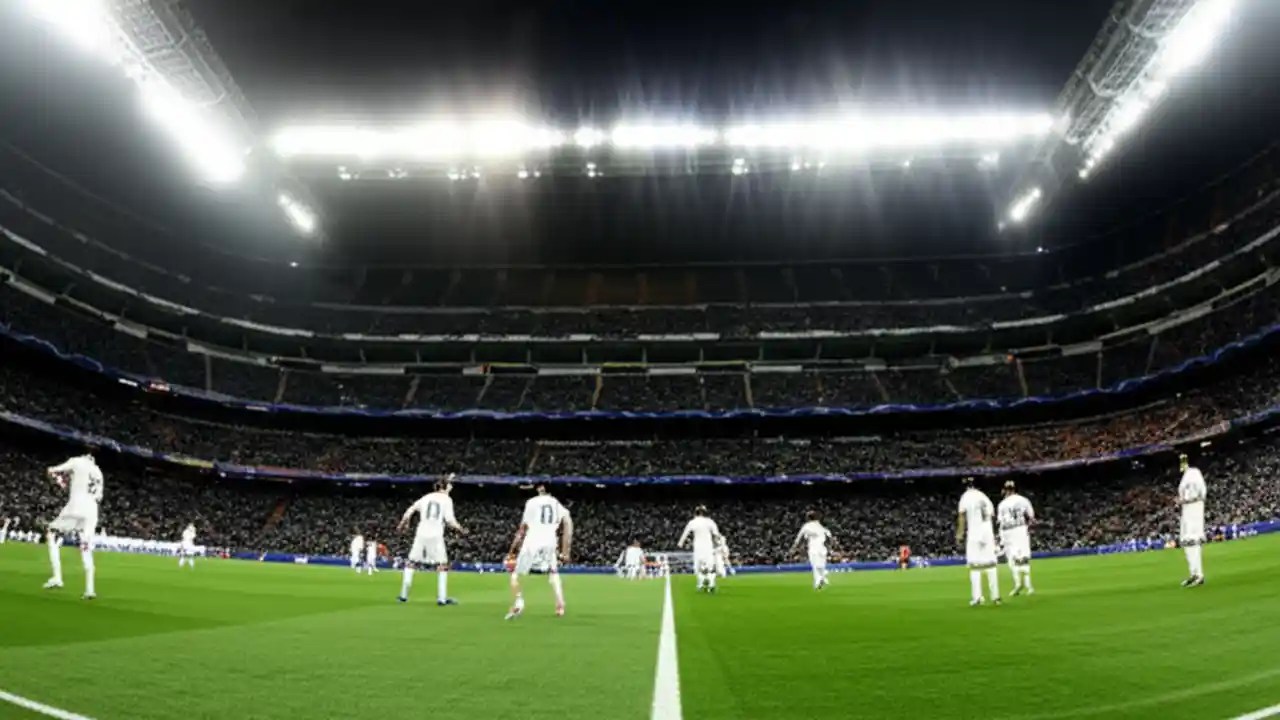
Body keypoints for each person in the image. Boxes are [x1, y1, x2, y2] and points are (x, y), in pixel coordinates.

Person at [505, 484, 573, 619]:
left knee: (515, 574)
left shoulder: (531, 502)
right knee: (553, 572)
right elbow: (568, 523)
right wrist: (566, 550)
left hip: (532, 542)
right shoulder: (556, 504)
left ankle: (519, 602)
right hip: (550, 543)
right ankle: (560, 604)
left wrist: (512, 549)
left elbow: (523, 529)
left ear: (540, 489)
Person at [397, 476, 467, 605]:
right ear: (444, 487)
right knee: (442, 565)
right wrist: (461, 529)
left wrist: (403, 523)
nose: (451, 487)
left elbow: (410, 510)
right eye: (450, 485)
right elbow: (450, 520)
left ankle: (403, 595)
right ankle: (442, 598)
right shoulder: (446, 500)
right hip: (436, 535)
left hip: (421, 533)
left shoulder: (426, 497)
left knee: (411, 562)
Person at [44, 452, 104, 600]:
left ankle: (57, 577)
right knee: (85, 547)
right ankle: (90, 590)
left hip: (77, 506)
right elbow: (99, 496)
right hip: (92, 510)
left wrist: (52, 472)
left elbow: (55, 470)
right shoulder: (98, 472)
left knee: (51, 533)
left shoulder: (77, 461)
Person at [957, 477, 1000, 607]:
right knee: (991, 565)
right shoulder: (984, 497)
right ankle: (995, 596)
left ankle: (977, 597)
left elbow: (962, 516)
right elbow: (992, 515)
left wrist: (960, 534)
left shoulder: (965, 497)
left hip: (975, 534)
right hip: (987, 533)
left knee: (975, 566)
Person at [997, 481, 1036, 596]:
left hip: (1007, 532)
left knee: (1012, 559)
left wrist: (1001, 538)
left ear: (1005, 490)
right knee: (1024, 557)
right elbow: (1032, 518)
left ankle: (1018, 584)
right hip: (1020, 529)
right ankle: (1029, 586)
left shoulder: (1002, 504)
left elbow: (1000, 522)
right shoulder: (1024, 500)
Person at [1177, 453, 1207, 587]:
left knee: (1193, 540)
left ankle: (1199, 574)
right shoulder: (1185, 477)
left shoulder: (1194, 473)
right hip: (1186, 509)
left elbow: (1201, 493)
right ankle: (1194, 573)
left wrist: (1186, 499)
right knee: (1187, 541)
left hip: (1194, 508)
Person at [678, 505, 723, 593]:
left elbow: (685, 533)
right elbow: (716, 534)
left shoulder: (692, 522)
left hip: (698, 547)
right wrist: (719, 543)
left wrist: (680, 543)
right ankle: (711, 584)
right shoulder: (710, 521)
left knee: (698, 567)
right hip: (708, 547)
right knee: (710, 567)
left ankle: (700, 584)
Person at [791, 510, 834, 590]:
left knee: (815, 565)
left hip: (814, 548)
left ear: (808, 518)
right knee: (821, 564)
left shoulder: (806, 526)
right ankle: (824, 579)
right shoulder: (820, 526)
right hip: (822, 548)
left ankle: (818, 581)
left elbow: (799, 537)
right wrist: (831, 546)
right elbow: (829, 535)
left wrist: (794, 547)